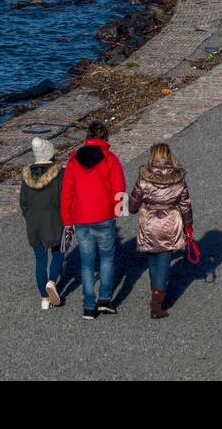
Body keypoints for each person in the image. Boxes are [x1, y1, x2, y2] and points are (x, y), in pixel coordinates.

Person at [60, 120, 125, 319]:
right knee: (107, 258)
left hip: (81, 217)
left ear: (87, 137)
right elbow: (119, 189)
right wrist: (117, 212)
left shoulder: (73, 159)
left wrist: (67, 220)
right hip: (104, 215)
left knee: (87, 263)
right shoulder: (110, 159)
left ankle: (89, 305)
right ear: (105, 138)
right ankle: (104, 299)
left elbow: (67, 193)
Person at [127, 143, 193, 319]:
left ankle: (155, 292)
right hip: (170, 221)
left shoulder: (144, 178)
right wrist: (188, 226)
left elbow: (133, 206)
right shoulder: (178, 178)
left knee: (152, 260)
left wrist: (132, 206)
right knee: (164, 261)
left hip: (149, 221)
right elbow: (185, 205)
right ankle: (157, 303)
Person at [20, 137, 65, 309]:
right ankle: (52, 281)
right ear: (50, 153)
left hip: (33, 223)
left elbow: (23, 203)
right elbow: (64, 198)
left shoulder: (26, 175)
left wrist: (29, 216)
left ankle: (44, 299)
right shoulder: (60, 173)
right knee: (59, 252)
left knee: (40, 258)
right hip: (54, 220)